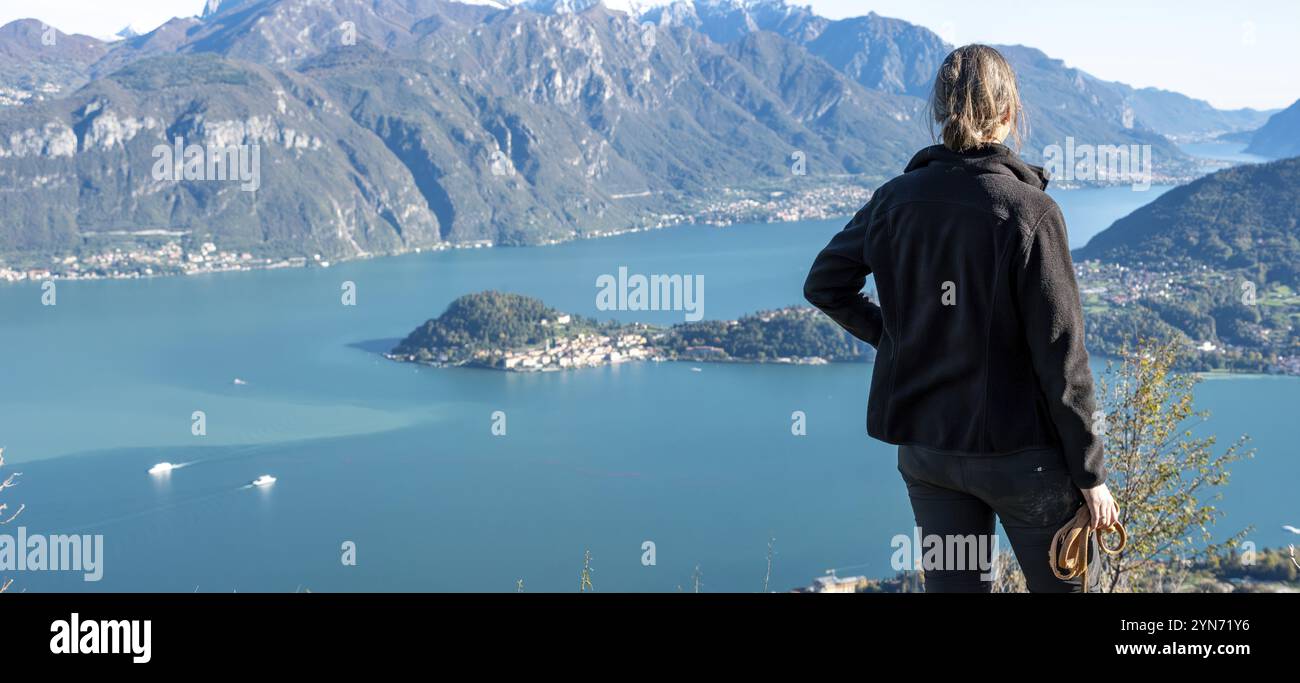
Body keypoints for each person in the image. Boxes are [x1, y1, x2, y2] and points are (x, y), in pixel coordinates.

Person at [802, 44, 1119, 593]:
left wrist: (898, 339)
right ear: (1008, 113)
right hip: (1024, 459)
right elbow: (1062, 357)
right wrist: (1091, 476)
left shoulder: (894, 201)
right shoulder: (1029, 212)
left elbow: (825, 285)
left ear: (941, 110)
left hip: (931, 454)